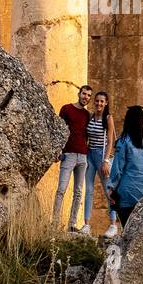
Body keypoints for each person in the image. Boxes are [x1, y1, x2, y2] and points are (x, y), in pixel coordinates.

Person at [106, 105, 143, 227]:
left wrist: (110, 188)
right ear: (142, 120)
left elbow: (117, 169)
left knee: (127, 231)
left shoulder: (123, 141)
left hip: (127, 193)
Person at [53, 85, 92, 231]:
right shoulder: (66, 109)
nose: (86, 97)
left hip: (83, 156)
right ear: (79, 93)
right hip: (68, 154)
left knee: (78, 192)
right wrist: (57, 150)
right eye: (84, 94)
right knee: (61, 189)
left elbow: (88, 136)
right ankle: (55, 224)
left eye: (88, 95)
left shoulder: (88, 115)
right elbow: (58, 130)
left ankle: (72, 224)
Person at [84, 91, 119, 238]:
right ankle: (86, 225)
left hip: (102, 156)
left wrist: (106, 161)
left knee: (108, 192)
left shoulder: (108, 118)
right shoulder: (91, 117)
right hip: (90, 155)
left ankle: (113, 225)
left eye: (102, 101)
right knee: (89, 190)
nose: (99, 104)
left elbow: (110, 141)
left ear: (106, 103)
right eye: (97, 101)